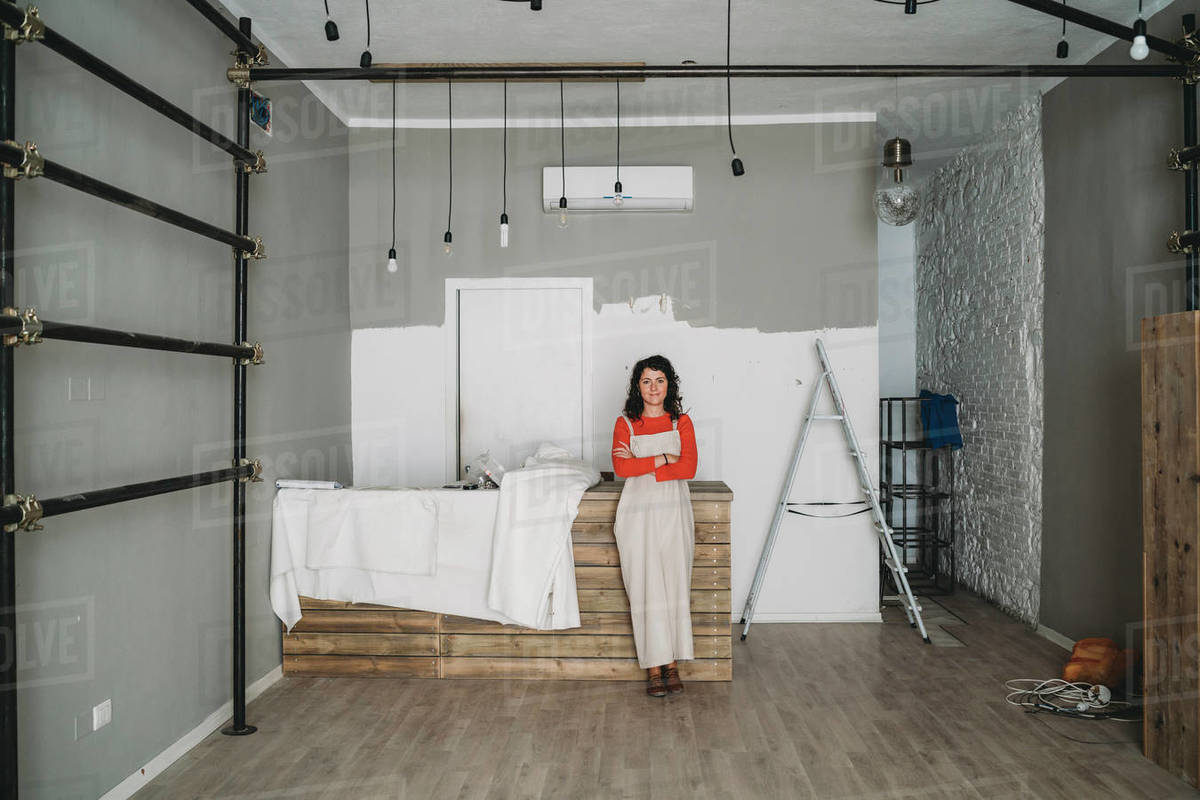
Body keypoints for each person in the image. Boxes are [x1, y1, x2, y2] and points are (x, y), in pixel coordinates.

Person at [611, 354, 698, 697]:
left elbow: (689, 468)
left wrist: (644, 464)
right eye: (646, 381)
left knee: (674, 583)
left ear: (669, 384)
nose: (653, 388)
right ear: (637, 386)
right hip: (637, 513)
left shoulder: (682, 423)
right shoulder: (626, 424)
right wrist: (665, 459)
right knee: (645, 587)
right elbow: (621, 468)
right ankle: (653, 666)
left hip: (675, 512)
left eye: (659, 380)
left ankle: (673, 664)